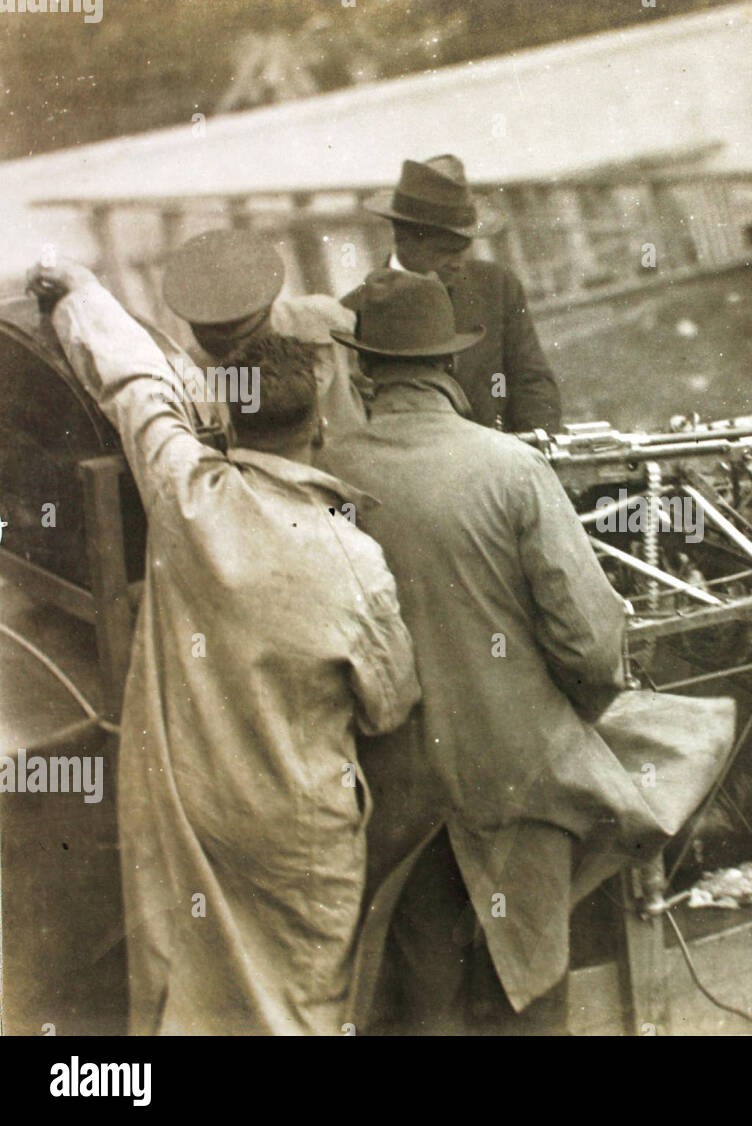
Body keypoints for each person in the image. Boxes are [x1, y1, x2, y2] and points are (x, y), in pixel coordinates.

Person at [30, 258, 421, 1035]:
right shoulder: (352, 562)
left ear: (231, 423)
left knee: (195, 998)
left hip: (193, 811)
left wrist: (80, 293)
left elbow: (137, 388)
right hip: (298, 832)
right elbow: (390, 707)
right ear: (319, 424)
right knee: (301, 1008)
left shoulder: (182, 491)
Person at [324, 269, 712, 1034]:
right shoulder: (511, 468)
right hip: (515, 776)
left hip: (394, 783)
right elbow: (592, 643)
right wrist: (569, 709)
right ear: (449, 365)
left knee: (424, 990)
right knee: (527, 985)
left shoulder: (331, 475)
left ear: (365, 370)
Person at [357, 154, 561, 432]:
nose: (457, 262)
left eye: (463, 249)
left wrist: (533, 452)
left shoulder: (496, 286)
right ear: (402, 239)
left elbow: (532, 383)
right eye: (444, 251)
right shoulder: (362, 309)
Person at [162, 228, 369, 440]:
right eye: (210, 334)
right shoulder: (186, 377)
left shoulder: (327, 321)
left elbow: (380, 393)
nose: (232, 351)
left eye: (239, 334)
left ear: (266, 308)